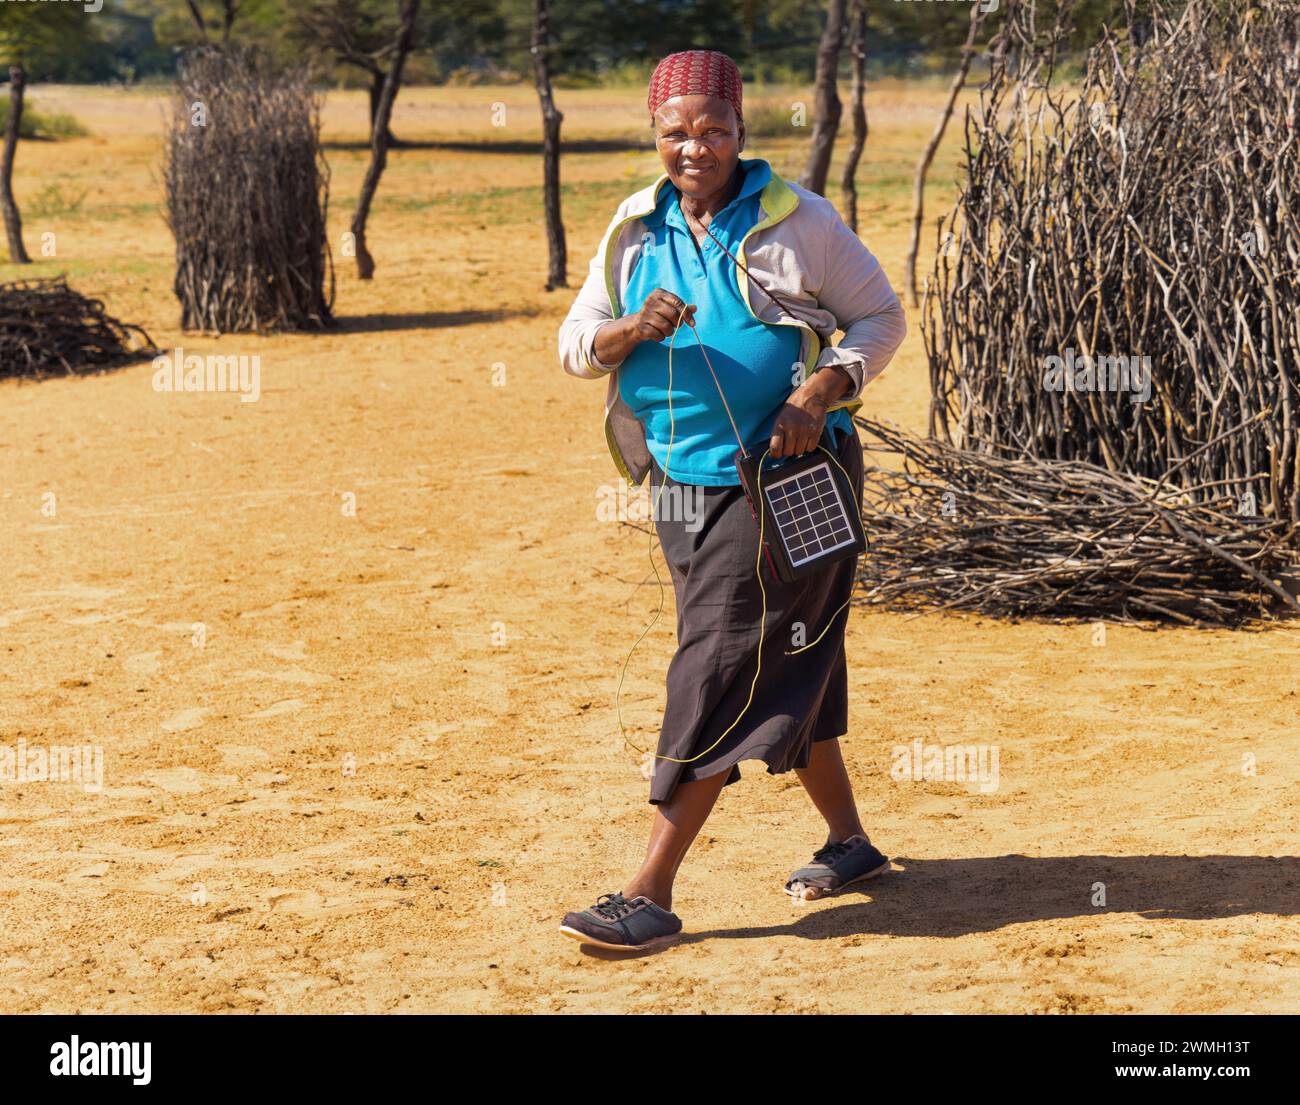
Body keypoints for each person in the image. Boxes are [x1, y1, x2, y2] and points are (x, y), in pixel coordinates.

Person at [556, 49, 907, 952]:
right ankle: (850, 844)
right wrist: (629, 330)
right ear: (656, 137)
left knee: (716, 661)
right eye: (676, 132)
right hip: (677, 484)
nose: (695, 147)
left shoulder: (800, 222)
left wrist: (819, 390)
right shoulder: (633, 228)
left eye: (713, 129)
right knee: (785, 651)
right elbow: (575, 342)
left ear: (742, 131)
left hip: (787, 484)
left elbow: (879, 317)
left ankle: (651, 888)